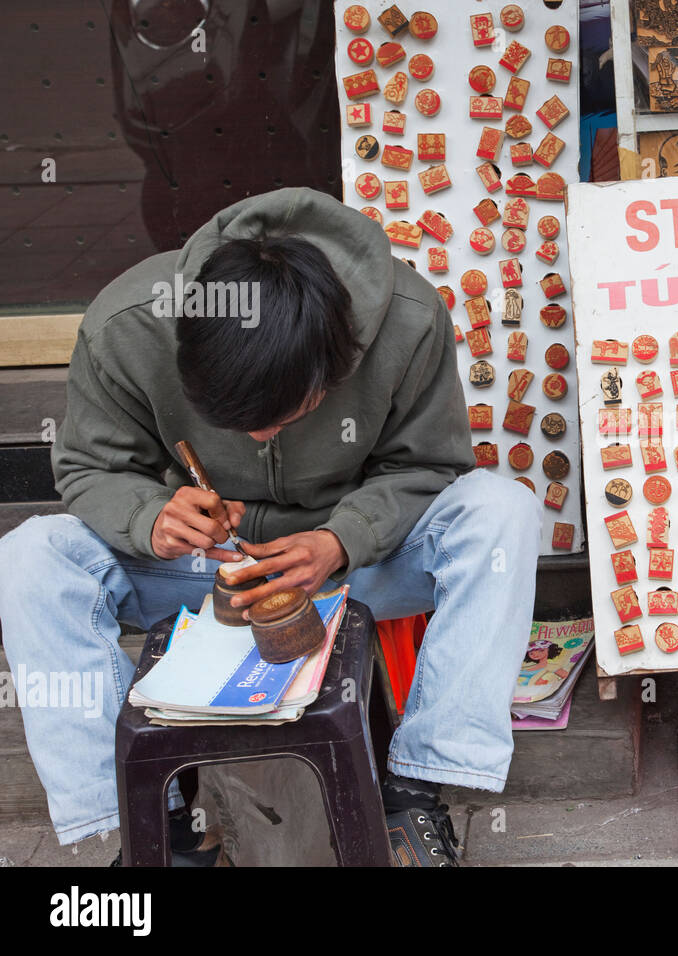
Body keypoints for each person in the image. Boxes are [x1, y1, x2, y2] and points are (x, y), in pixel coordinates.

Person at [0, 187, 543, 867]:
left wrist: (343, 537)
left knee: (501, 511)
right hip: (198, 570)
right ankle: (156, 830)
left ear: (334, 361)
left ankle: (417, 788)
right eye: (236, 421)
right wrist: (150, 517)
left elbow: (429, 464)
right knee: (30, 558)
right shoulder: (129, 324)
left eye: (282, 417)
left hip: (354, 566)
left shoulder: (405, 321)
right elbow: (87, 467)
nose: (258, 434)